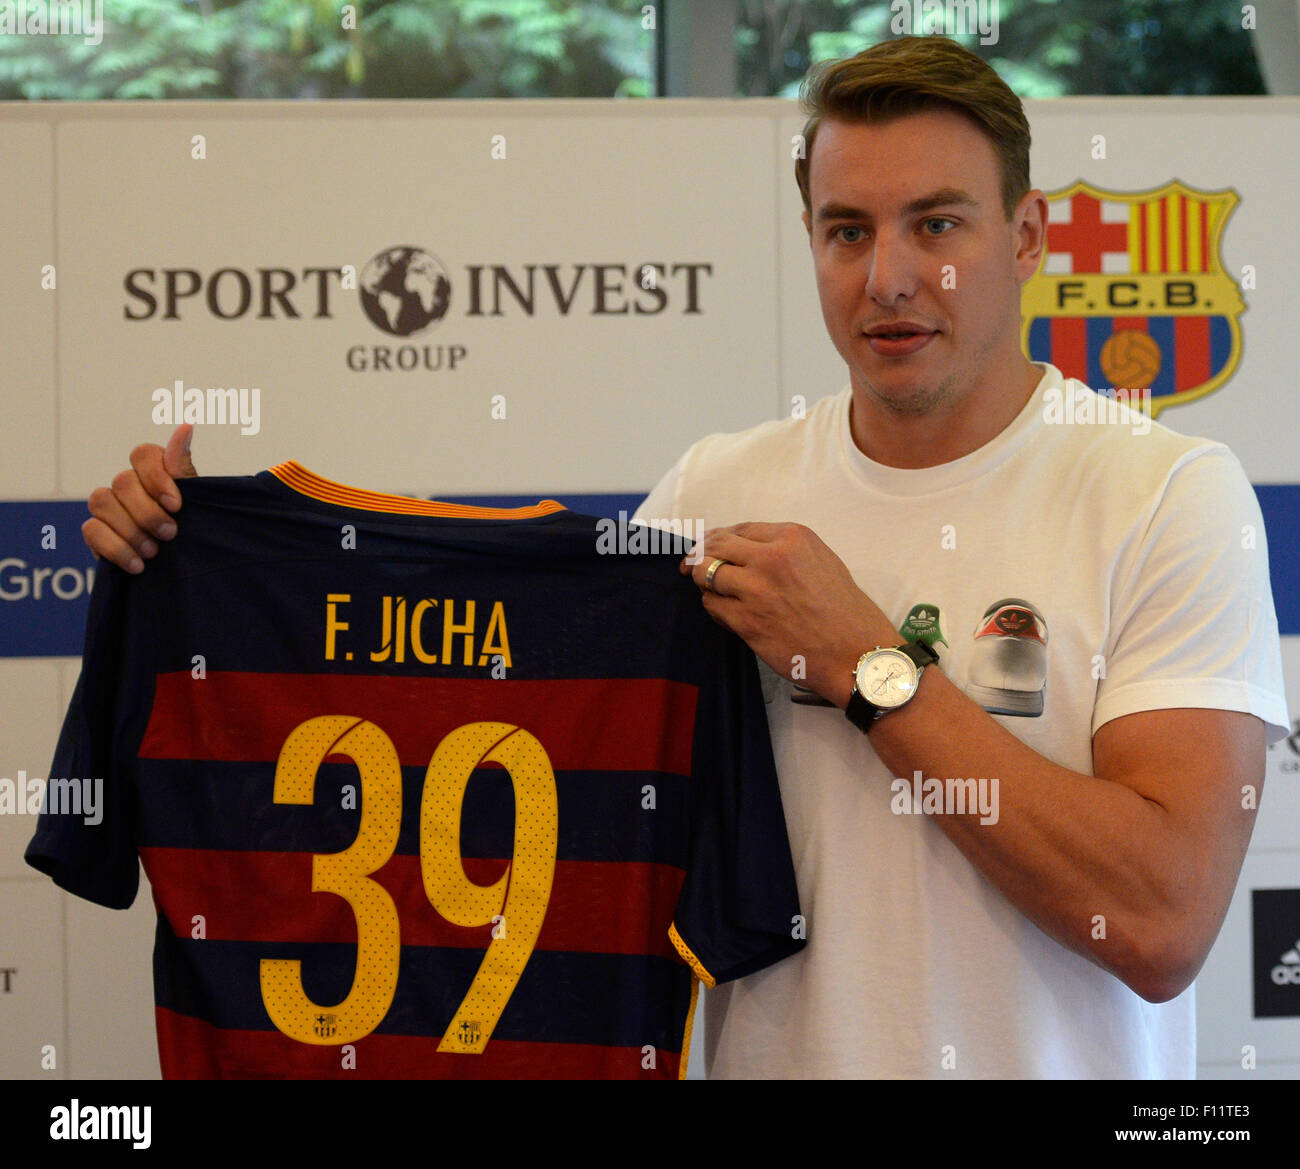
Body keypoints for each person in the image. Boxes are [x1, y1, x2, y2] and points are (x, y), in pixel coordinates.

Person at [84, 36, 1288, 1079]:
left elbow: (1157, 916)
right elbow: (446, 680)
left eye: (938, 224)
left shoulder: (1165, 494)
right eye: (847, 230)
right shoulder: (718, 493)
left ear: (1027, 234)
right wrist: (196, 552)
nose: (889, 277)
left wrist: (870, 663)